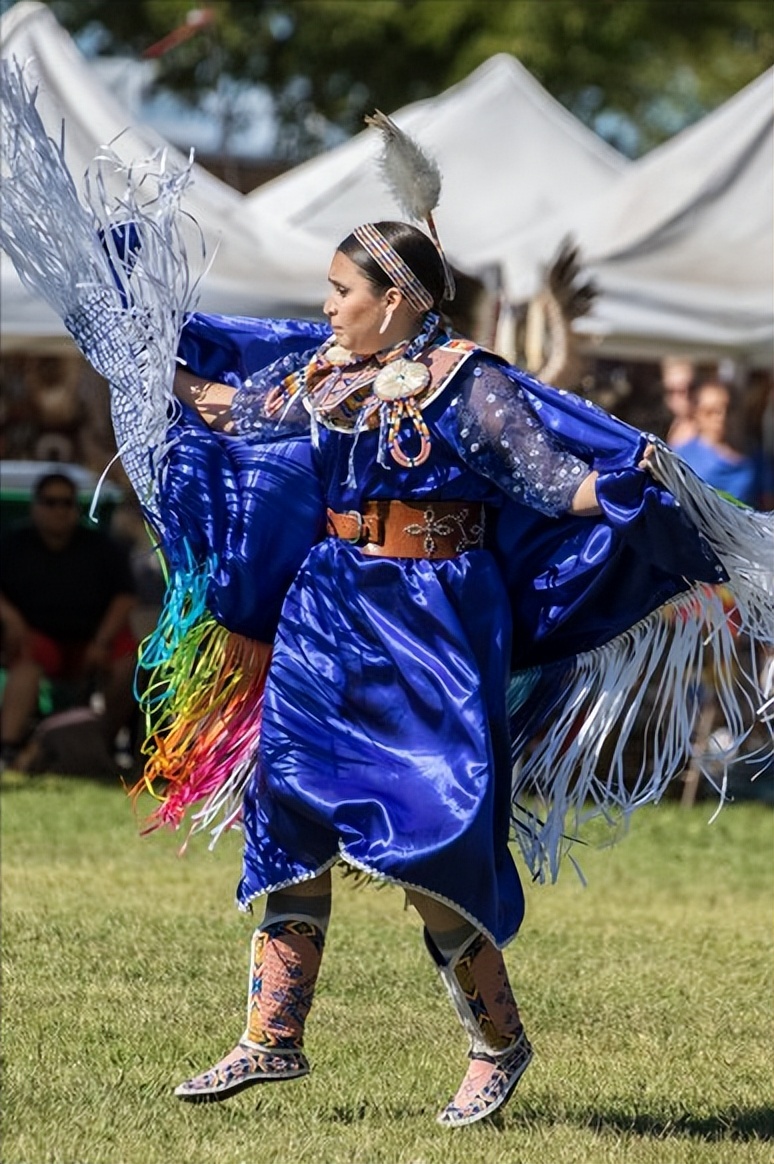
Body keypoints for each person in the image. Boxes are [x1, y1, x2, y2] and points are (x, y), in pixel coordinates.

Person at [1, 69, 771, 1131]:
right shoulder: (319, 377)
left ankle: (496, 1042)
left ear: (397, 298)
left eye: (340, 292)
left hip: (434, 622)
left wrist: (624, 490)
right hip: (328, 610)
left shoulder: (469, 380)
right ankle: (270, 1037)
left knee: (430, 833)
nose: (324, 308)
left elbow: (551, 480)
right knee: (290, 808)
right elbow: (231, 403)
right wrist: (144, 351)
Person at [0, 471, 138, 768]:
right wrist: (11, 618)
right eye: (51, 502)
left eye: (67, 502)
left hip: (94, 640)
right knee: (26, 664)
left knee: (132, 661)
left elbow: (125, 597)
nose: (60, 510)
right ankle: (8, 752)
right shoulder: (13, 545)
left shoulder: (101, 547)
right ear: (35, 506)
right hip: (38, 639)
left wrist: (101, 641)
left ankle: (101, 743)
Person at [673, 378, 759, 506]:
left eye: (728, 409)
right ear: (696, 413)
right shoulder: (681, 457)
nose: (721, 417)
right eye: (710, 411)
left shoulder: (755, 456)